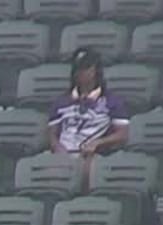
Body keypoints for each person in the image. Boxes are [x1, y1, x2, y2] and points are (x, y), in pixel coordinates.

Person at [48, 49, 129, 184]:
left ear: (96, 70)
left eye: (86, 68)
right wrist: (56, 146)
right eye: (78, 69)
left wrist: (99, 143)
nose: (81, 73)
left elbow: (123, 134)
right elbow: (52, 133)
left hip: (91, 154)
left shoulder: (112, 101)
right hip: (64, 153)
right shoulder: (61, 101)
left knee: (88, 168)